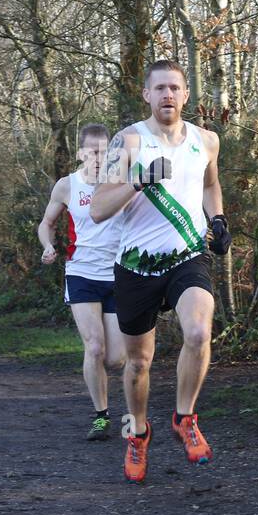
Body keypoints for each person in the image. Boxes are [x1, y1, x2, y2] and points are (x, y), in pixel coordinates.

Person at [91, 59, 231, 483]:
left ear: (186, 95)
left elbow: (209, 184)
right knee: (138, 364)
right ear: (147, 95)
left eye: (175, 88)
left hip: (187, 256)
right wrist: (138, 182)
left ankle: (184, 417)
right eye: (160, 89)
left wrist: (219, 219)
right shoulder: (128, 141)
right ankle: (137, 432)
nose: (168, 95)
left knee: (198, 332)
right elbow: (98, 208)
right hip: (136, 265)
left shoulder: (207, 140)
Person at [38, 123, 126, 440]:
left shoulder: (122, 183)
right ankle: (101, 416)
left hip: (118, 275)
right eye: (93, 151)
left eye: (105, 151)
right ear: (81, 152)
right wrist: (48, 245)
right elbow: (46, 223)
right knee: (94, 346)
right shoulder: (67, 186)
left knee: (117, 357)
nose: (100, 157)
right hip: (81, 273)